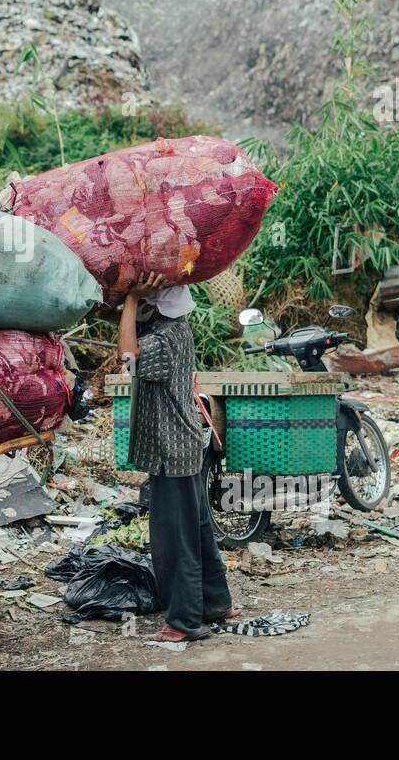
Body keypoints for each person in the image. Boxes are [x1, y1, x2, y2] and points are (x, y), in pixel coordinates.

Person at [115, 272, 239, 641]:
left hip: (173, 450)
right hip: (182, 446)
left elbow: (127, 357)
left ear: (157, 305)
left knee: (175, 538)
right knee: (197, 529)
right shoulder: (174, 331)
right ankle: (217, 604)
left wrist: (133, 299)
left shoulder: (165, 339)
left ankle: (183, 622)